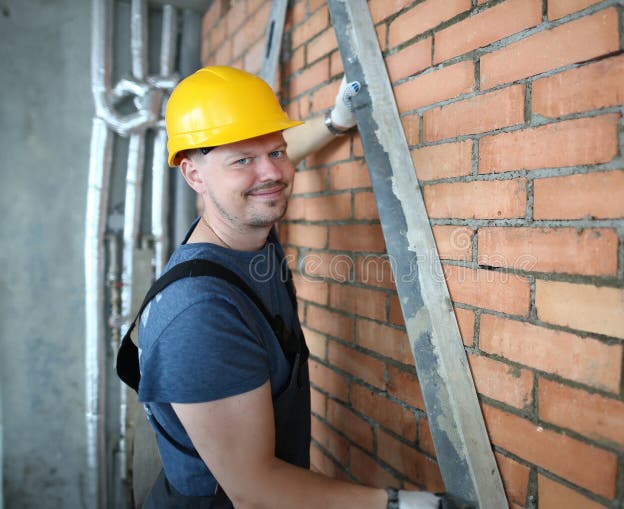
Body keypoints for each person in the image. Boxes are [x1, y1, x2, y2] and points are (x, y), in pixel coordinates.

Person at [131, 66, 457, 509]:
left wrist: (334, 123)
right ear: (194, 176)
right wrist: (398, 504)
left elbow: (268, 165)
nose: (272, 173)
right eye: (242, 160)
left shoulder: (241, 224)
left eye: (277, 152)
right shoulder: (199, 314)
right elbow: (254, 489)